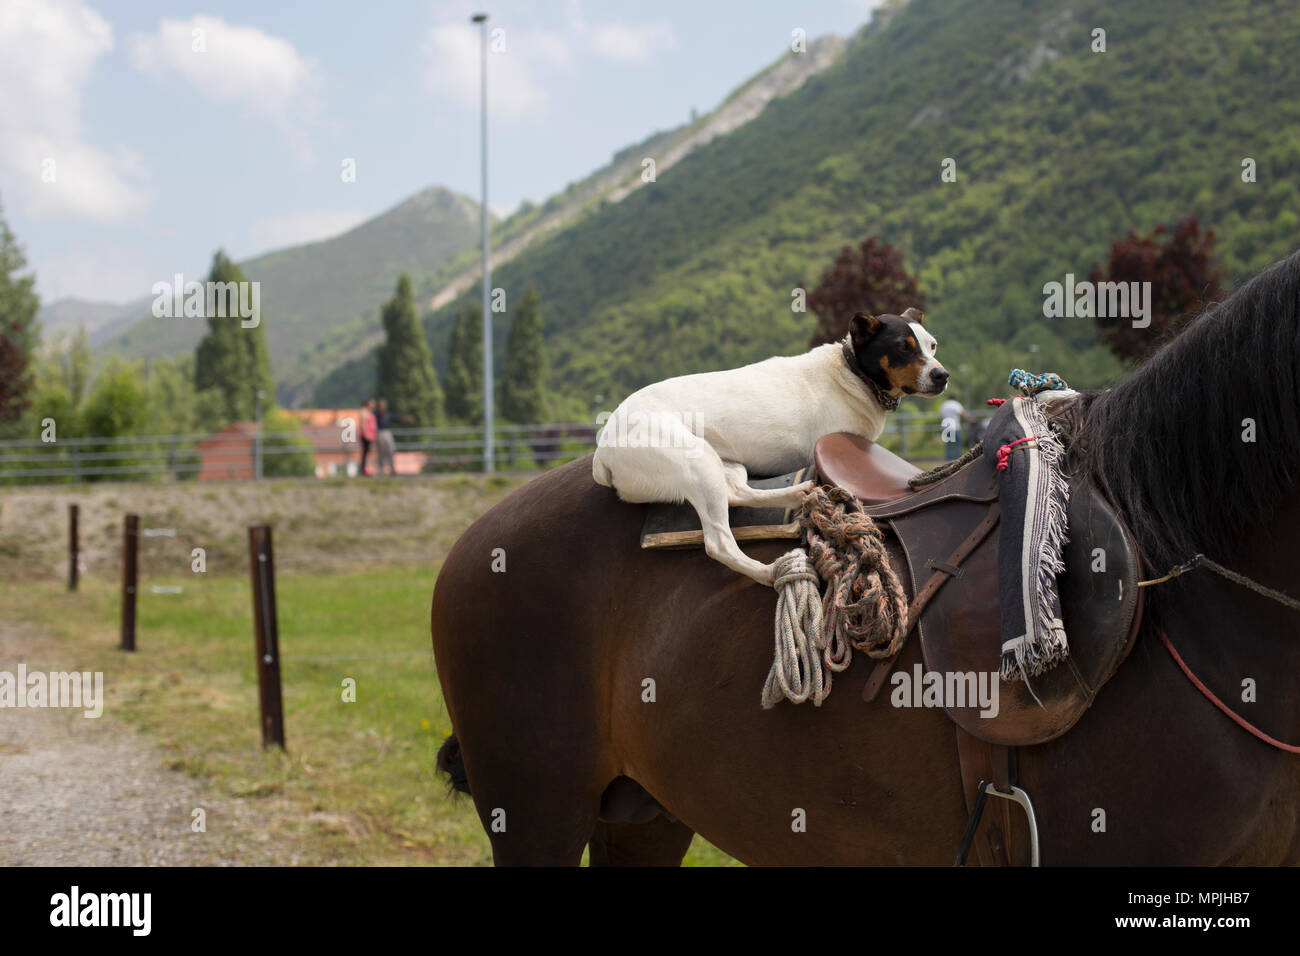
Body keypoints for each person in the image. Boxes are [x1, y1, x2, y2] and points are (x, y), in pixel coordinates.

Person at [374, 398, 412, 476]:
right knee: (381, 452)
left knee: (390, 451)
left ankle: (392, 469)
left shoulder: (388, 414)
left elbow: (397, 418)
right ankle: (381, 470)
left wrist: (406, 418)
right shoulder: (375, 415)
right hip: (379, 433)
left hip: (386, 432)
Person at [359, 398, 377, 476]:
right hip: (366, 436)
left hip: (370, 435)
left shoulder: (369, 412)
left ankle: (366, 468)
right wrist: (367, 435)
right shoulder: (364, 412)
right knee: (365, 453)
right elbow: (363, 424)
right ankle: (364, 469)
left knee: (367, 453)